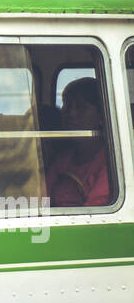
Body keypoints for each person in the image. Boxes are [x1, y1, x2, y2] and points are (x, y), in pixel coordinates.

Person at [45, 77, 110, 207]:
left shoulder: (110, 162)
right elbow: (40, 199)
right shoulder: (63, 160)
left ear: (102, 115)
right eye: (67, 105)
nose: (72, 113)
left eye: (81, 107)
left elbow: (95, 212)